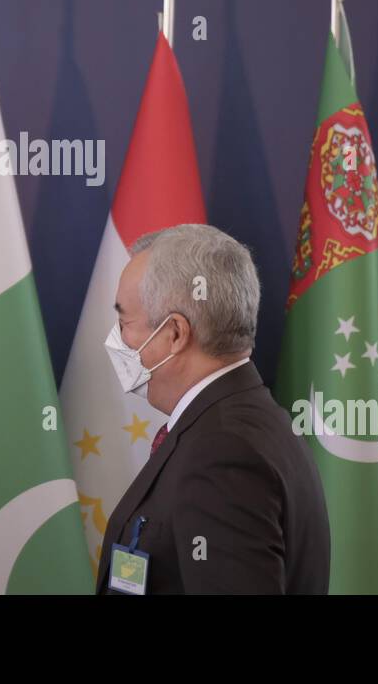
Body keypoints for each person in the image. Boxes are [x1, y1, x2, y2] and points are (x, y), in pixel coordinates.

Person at [97, 223, 331, 594]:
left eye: (125, 322)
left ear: (174, 333)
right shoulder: (248, 421)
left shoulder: (223, 453)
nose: (117, 338)